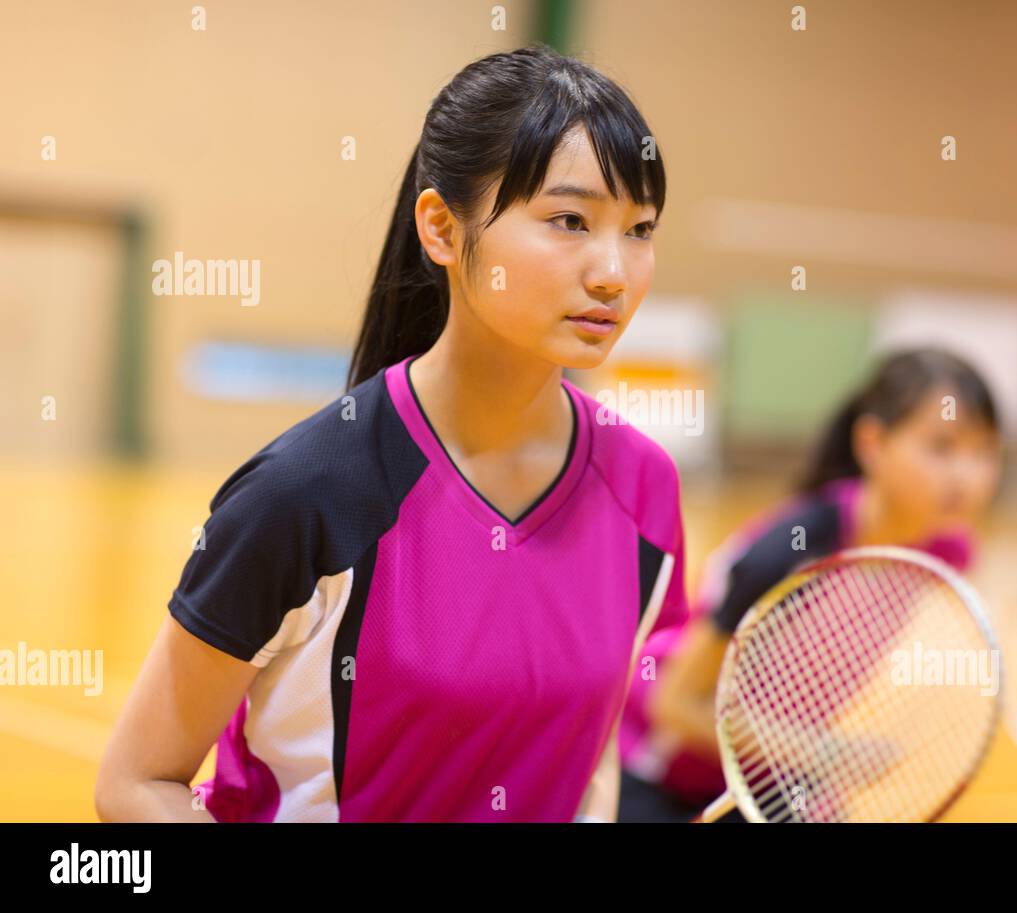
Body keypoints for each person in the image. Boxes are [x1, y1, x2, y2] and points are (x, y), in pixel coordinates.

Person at [97, 44, 686, 822]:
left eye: (639, 229)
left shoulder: (644, 488)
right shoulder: (305, 492)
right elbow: (138, 783)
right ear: (443, 229)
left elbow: (592, 748)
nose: (614, 270)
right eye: (569, 220)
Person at [616, 348, 1002, 822]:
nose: (967, 474)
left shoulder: (947, 553)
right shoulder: (788, 552)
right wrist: (826, 757)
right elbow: (675, 706)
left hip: (771, 769)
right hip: (659, 768)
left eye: (984, 452)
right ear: (873, 443)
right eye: (941, 447)